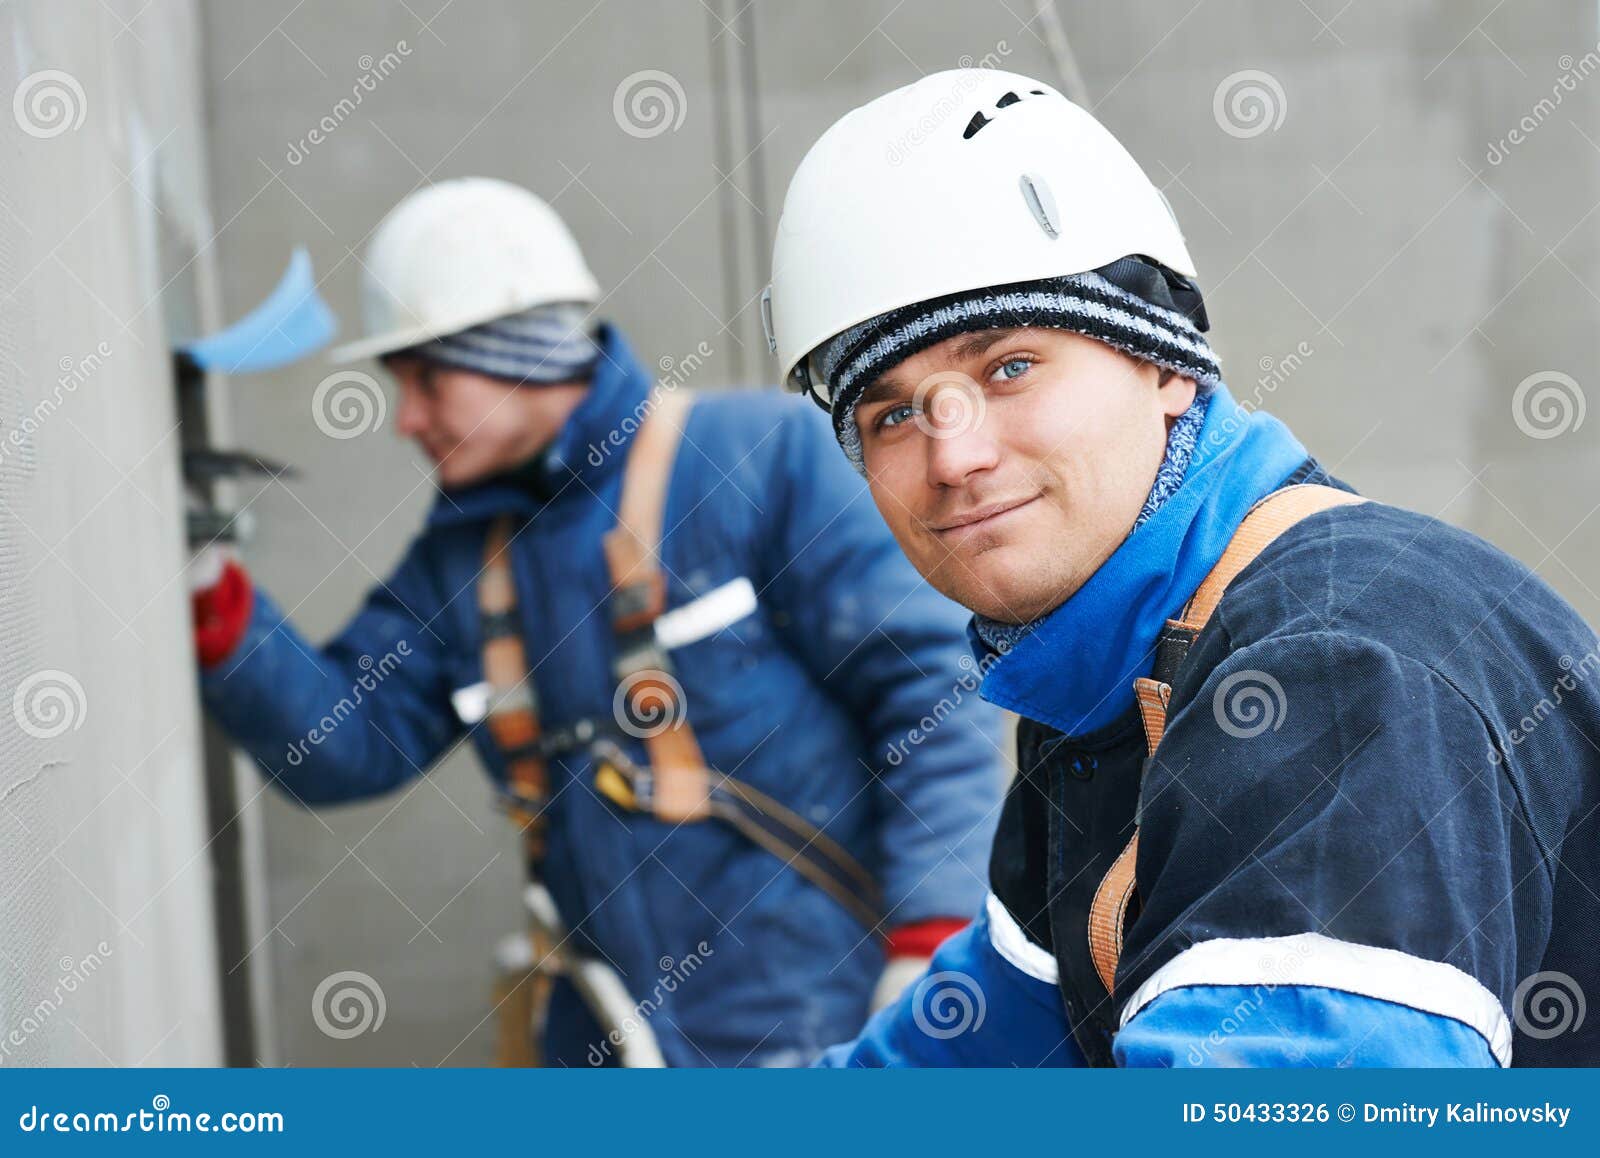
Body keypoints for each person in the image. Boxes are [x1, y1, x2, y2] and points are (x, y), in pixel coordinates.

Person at [760, 70, 1600, 1067]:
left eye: (1009, 367)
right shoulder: (1110, 688)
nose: (953, 457)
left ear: (1162, 363)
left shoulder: (1335, 662)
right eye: (892, 413)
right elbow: (978, 1058)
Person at [192, 177, 1004, 1067]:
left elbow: (932, 700)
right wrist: (212, 598)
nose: (404, 419)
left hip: (828, 1027)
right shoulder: (465, 557)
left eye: (425, 379)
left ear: (514, 351)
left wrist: (931, 946)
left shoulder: (752, 459)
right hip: (616, 1044)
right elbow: (343, 745)